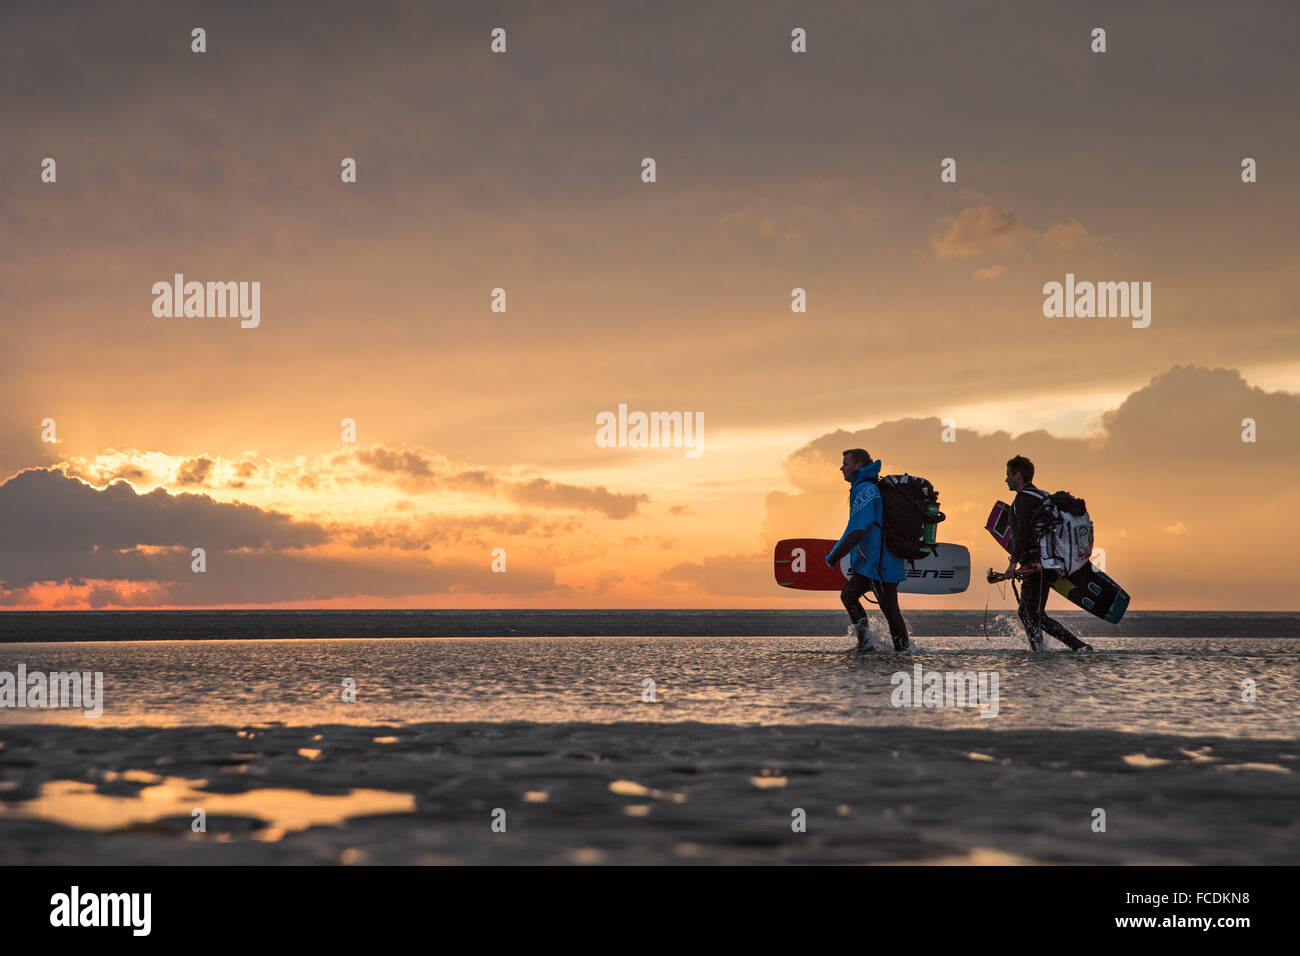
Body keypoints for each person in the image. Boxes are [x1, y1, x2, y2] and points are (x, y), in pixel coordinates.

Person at [1003, 455, 1091, 652]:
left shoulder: (1022, 500)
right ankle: (1039, 648)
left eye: (1008, 474)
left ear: (1018, 475)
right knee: (1029, 612)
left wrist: (1012, 563)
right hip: (1050, 562)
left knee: (1031, 613)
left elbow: (1022, 534)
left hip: (1036, 564)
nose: (1006, 479)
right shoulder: (1042, 496)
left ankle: (1079, 647)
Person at [826, 449, 909, 652]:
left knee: (889, 608)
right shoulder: (869, 487)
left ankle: (901, 651)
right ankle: (867, 645)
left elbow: (857, 530)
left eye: (846, 464)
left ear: (858, 466)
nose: (842, 468)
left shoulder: (864, 490)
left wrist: (833, 556)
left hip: (879, 564)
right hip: (876, 563)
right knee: (850, 596)